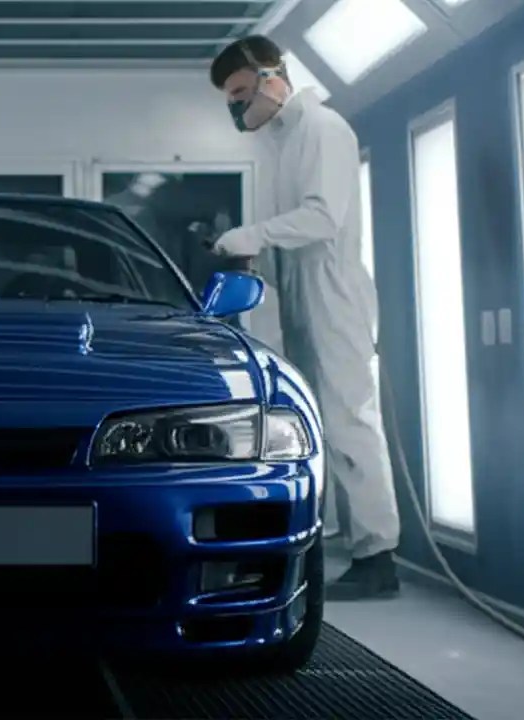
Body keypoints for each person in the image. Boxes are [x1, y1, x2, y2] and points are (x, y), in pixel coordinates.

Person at [207, 36, 402, 601]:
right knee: (313, 422)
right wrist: (247, 252)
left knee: (349, 419)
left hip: (333, 291)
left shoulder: (322, 129)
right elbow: (280, 231)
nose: (237, 106)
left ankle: (378, 557)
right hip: (297, 292)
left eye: (241, 91)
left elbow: (321, 217)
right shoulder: (279, 142)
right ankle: (337, 539)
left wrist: (252, 234)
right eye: (229, 98)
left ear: (272, 76)